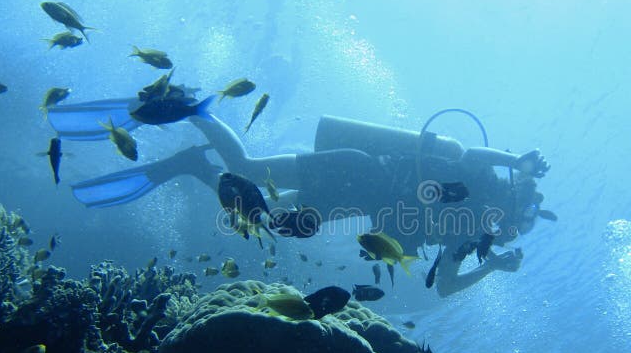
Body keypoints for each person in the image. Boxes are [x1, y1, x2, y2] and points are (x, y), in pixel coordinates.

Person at [49, 96, 553, 297]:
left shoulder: (467, 237)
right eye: (520, 220)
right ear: (513, 202)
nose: (512, 231)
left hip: (351, 205)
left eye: (519, 231)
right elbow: (470, 151)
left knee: (266, 221)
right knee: (249, 168)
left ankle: (193, 166)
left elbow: (444, 287)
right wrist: (518, 162)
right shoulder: (480, 178)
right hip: (354, 167)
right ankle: (192, 108)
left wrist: (492, 266)